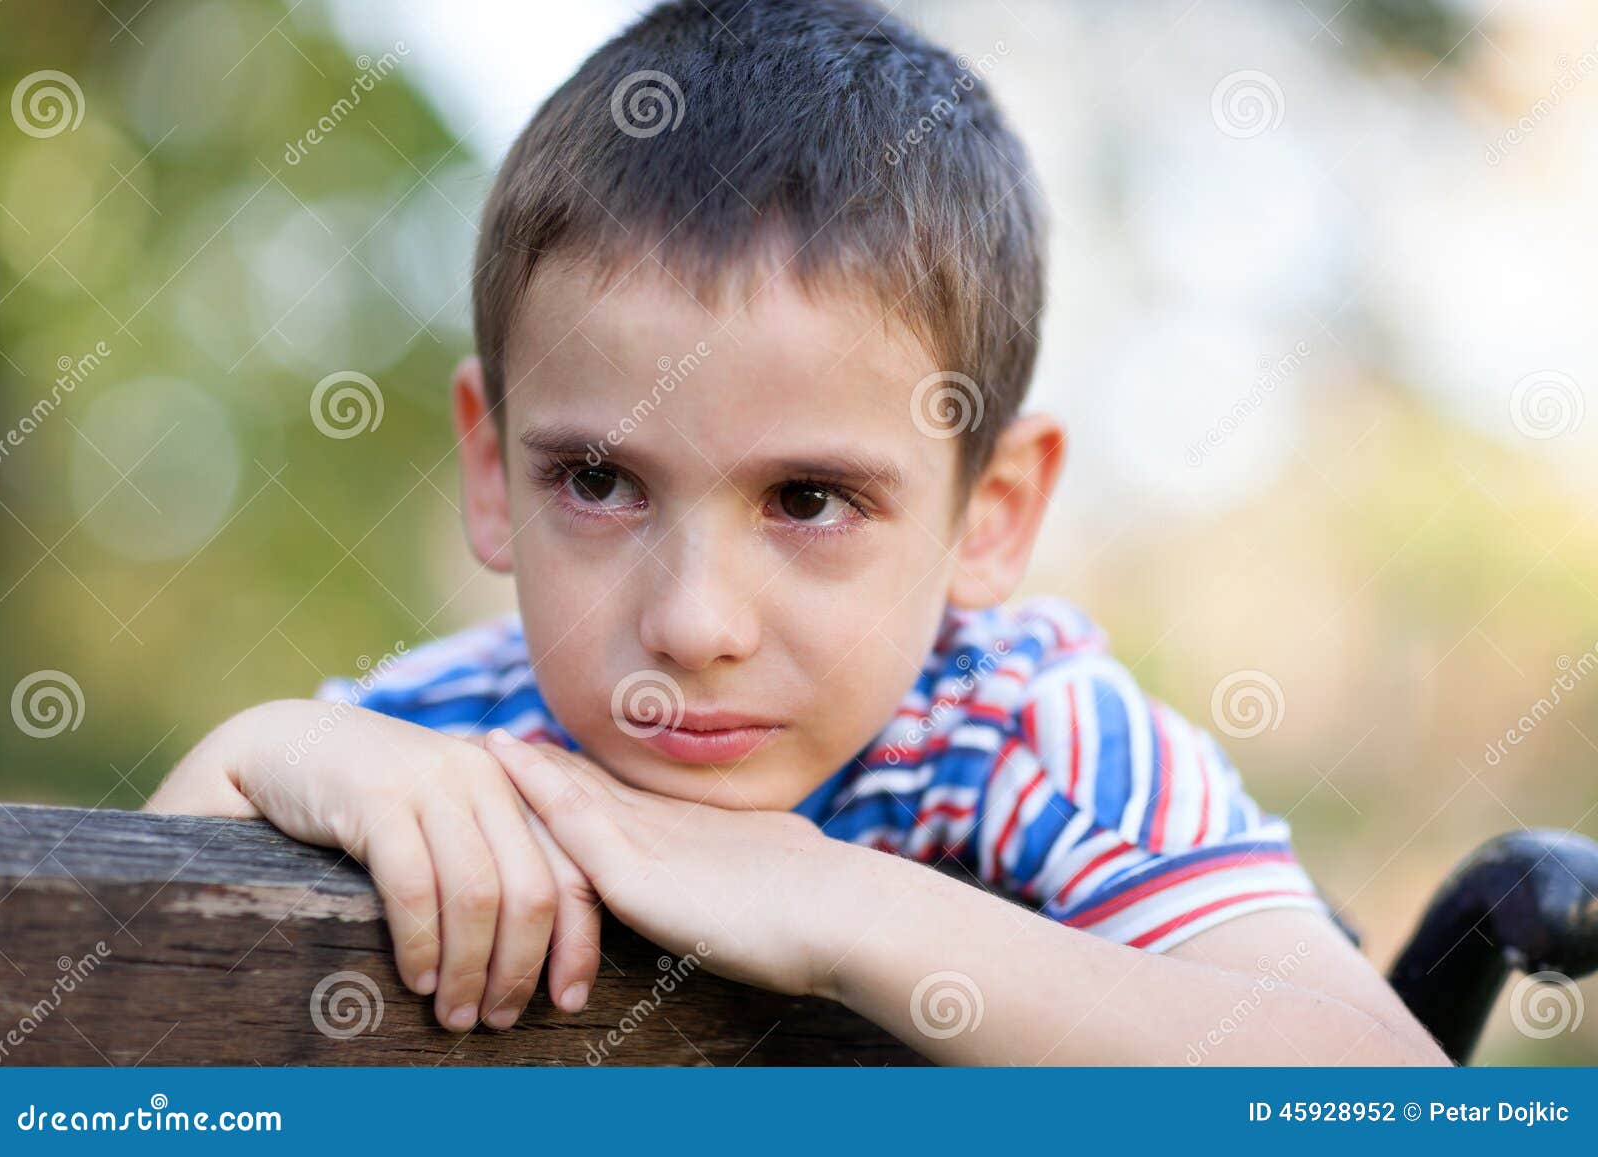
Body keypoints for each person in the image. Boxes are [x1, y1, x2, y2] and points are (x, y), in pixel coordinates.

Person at [147, 0, 1446, 1065]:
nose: (695, 621)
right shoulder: (440, 752)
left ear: (990, 516)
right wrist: (256, 753)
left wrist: (838, 903)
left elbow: (1389, 1099)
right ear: (492, 471)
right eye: (599, 481)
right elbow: (78, 1057)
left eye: (811, 500)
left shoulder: (1025, 739)